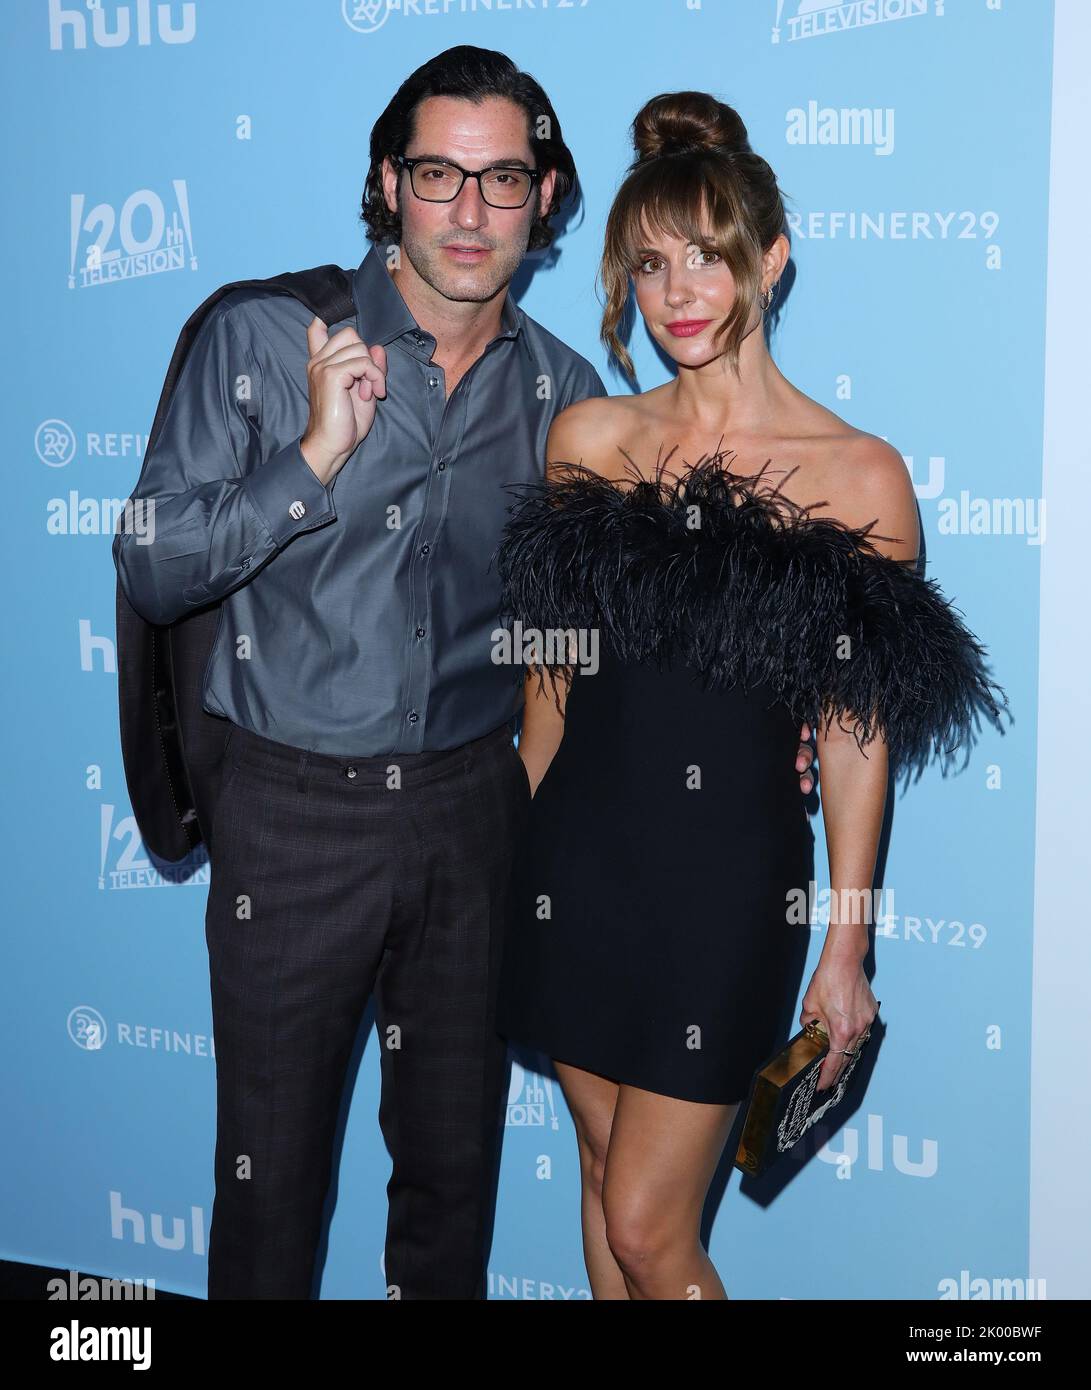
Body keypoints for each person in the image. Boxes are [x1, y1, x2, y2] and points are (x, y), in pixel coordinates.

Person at [111, 46, 819, 1300]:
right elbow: (154, 565)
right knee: (271, 1187)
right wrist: (311, 458)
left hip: (477, 815)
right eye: (439, 174)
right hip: (291, 813)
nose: (470, 210)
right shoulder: (262, 335)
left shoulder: (566, 397)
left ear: (544, 200)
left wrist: (777, 719)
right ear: (389, 183)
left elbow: (582, 640)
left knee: (452, 1189)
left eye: (503, 180)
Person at [493, 90, 1010, 1301]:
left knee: (646, 1227)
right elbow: (548, 684)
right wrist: (506, 857)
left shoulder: (858, 476)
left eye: (706, 257)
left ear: (770, 259)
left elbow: (854, 735)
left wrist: (847, 943)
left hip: (727, 884)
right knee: (600, 1177)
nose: (677, 291)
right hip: (574, 866)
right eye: (649, 263)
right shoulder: (587, 441)